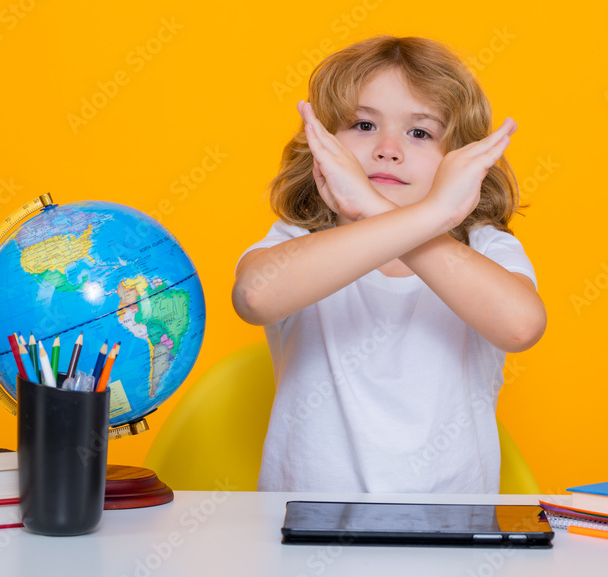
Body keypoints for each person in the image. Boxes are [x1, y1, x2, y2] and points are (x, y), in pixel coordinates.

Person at [232, 36, 546, 493]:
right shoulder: (300, 242)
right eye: (362, 125)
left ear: (459, 158)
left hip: (449, 539)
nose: (387, 149)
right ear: (322, 143)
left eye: (419, 132)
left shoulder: (483, 248)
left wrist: (376, 209)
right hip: (307, 535)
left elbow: (520, 326)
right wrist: (413, 215)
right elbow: (255, 296)